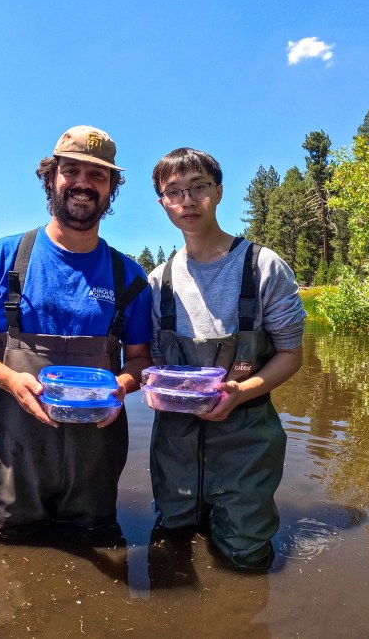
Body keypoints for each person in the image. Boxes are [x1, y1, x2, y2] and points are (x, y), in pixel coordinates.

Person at [0, 125, 153, 545]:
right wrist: (9, 379)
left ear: (113, 187)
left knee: (98, 546)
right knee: (9, 550)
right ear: (51, 177)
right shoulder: (2, 257)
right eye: (71, 170)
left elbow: (140, 360)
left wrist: (121, 386)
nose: (83, 183)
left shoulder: (129, 277)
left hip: (93, 456)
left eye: (98, 175)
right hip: (10, 452)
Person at [146, 147, 306, 571]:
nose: (186, 200)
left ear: (217, 192)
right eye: (173, 191)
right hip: (174, 444)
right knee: (172, 547)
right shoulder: (157, 282)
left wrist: (240, 392)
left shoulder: (263, 267)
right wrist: (153, 391)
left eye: (198, 187)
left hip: (246, 440)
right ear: (163, 202)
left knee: (246, 556)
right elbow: (156, 364)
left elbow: (291, 355)